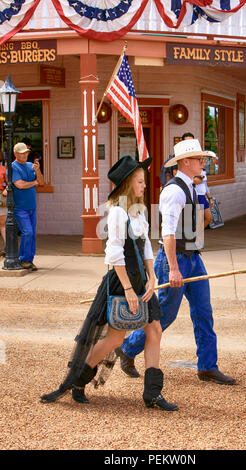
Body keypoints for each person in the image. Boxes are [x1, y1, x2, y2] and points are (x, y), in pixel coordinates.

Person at [41, 155, 178, 411]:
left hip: (140, 280)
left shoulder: (139, 210)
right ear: (128, 184)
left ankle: (152, 394)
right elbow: (114, 255)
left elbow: (146, 246)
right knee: (115, 339)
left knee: (154, 330)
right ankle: (78, 382)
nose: (144, 186)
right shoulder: (116, 212)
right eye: (140, 182)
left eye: (143, 181)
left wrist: (151, 278)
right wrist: (128, 289)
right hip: (121, 280)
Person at [117, 139, 236, 386]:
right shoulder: (173, 191)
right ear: (185, 162)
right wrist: (172, 268)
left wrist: (204, 203)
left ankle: (207, 366)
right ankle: (127, 348)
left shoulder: (194, 187)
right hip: (175, 259)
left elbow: (203, 221)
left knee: (204, 312)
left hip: (193, 257)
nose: (203, 163)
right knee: (166, 315)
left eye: (203, 159)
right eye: (199, 159)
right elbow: (168, 233)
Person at [12, 142, 44, 270]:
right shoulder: (13, 167)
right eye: (22, 153)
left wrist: (38, 171)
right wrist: (34, 182)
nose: (25, 155)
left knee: (32, 233)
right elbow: (20, 184)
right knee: (27, 232)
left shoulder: (31, 166)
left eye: (26, 152)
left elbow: (41, 182)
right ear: (16, 154)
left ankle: (29, 260)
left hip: (32, 207)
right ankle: (23, 259)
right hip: (20, 207)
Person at [0, 152, 7, 257]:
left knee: (2, 224)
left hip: (1, 197)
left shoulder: (3, 169)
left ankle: (7, 247)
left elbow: (10, 182)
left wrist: (6, 190)